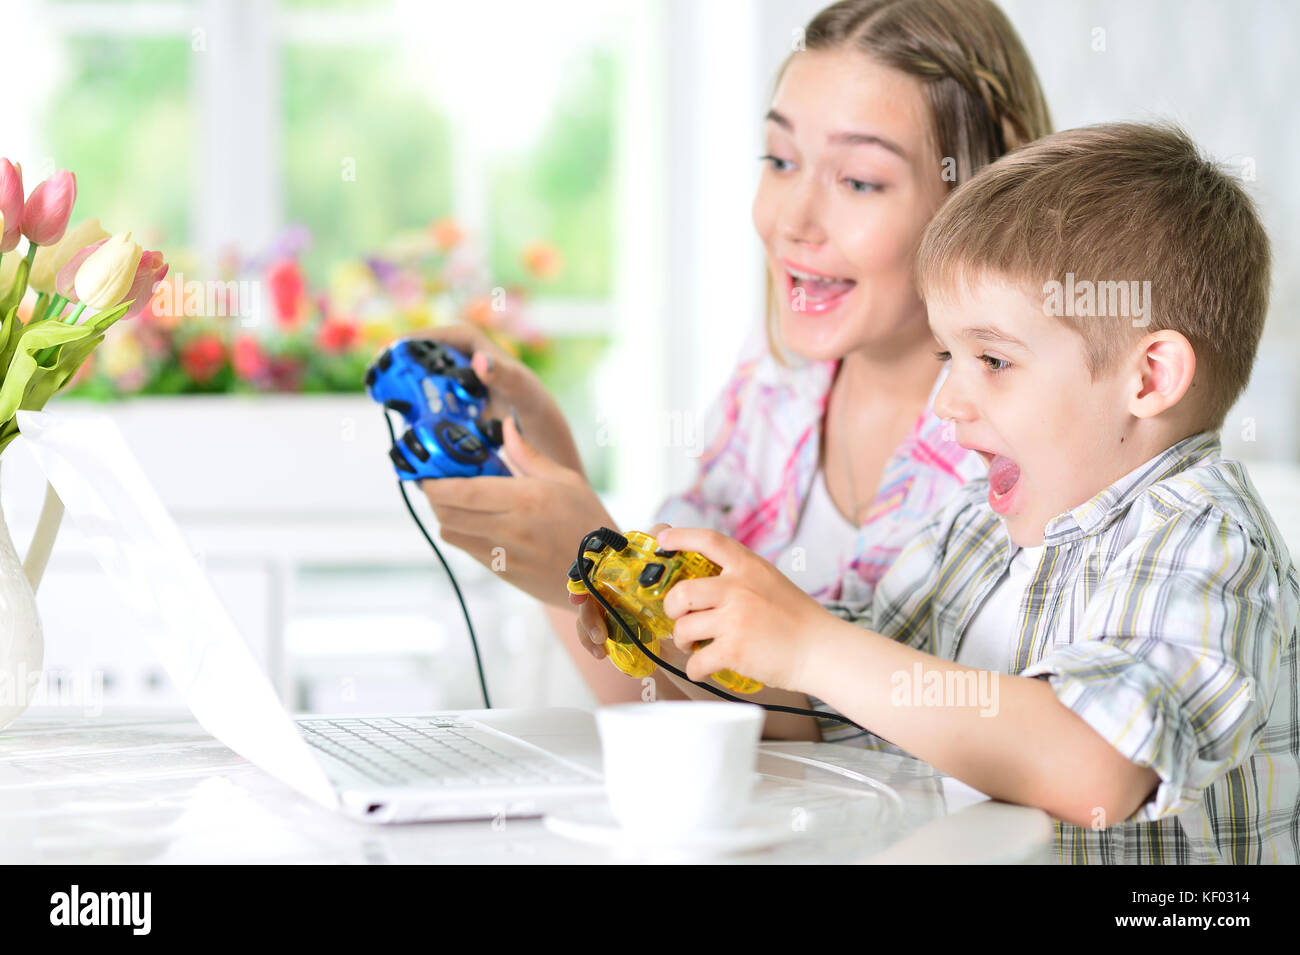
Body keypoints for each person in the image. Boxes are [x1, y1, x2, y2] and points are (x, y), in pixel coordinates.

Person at [586, 122, 1298, 864]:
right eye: (946, 356)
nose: (948, 401)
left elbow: (1102, 764)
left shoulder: (1207, 540)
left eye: (992, 358)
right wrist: (698, 629)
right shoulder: (975, 527)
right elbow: (837, 710)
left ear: (1148, 378)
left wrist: (812, 645)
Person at [417, 0, 1051, 740]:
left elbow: (856, 751)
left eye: (859, 182)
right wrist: (549, 476)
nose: (791, 220)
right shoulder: (773, 392)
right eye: (780, 161)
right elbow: (654, 707)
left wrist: (596, 559)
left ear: (984, 194)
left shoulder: (1028, 439)